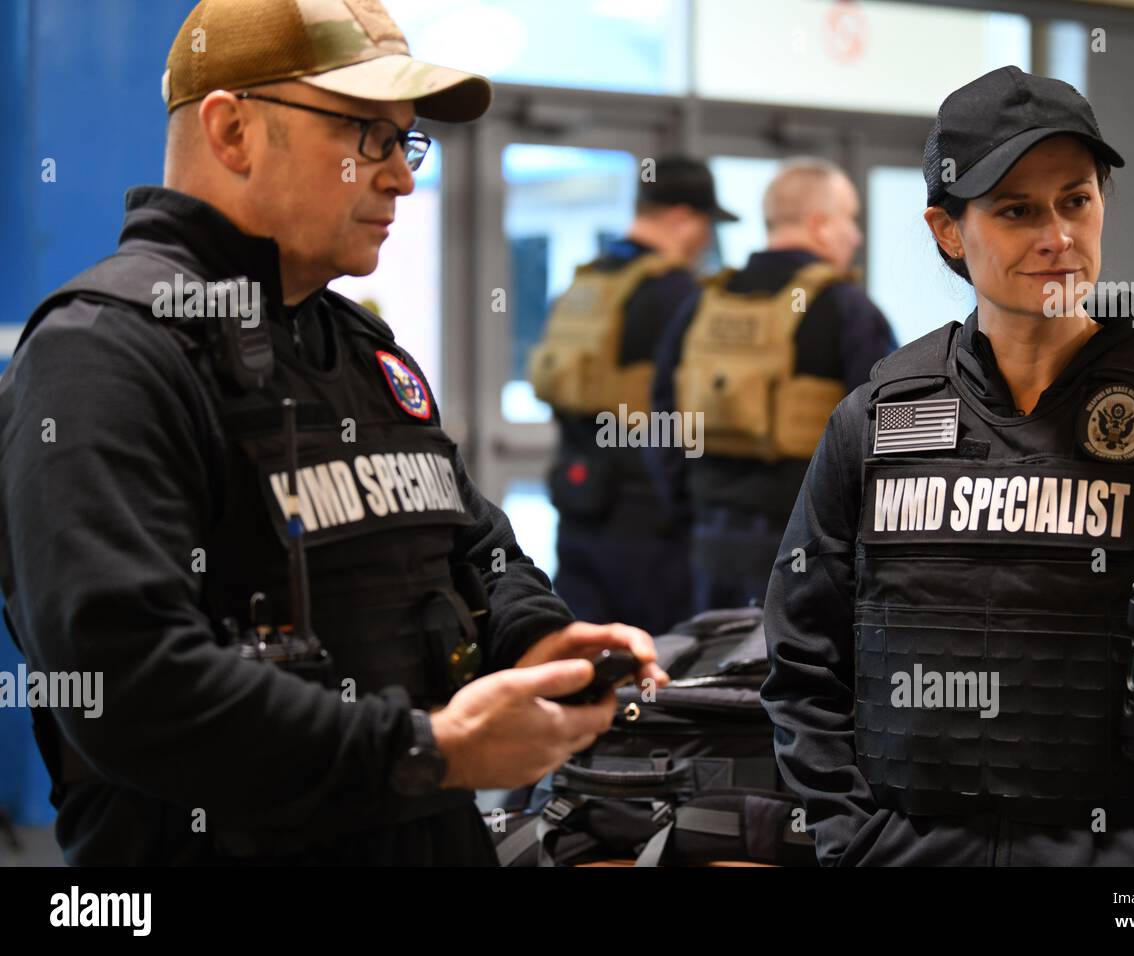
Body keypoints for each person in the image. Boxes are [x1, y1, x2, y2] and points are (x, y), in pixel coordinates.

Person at [0, 0, 666, 866]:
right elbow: (132, 688)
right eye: (365, 136)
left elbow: (476, 548)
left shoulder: (353, 344)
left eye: (405, 141)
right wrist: (434, 750)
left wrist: (538, 639)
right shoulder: (101, 356)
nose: (400, 178)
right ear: (232, 130)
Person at [761, 65, 1134, 866]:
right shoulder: (876, 418)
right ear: (948, 231)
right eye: (1017, 210)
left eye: (1075, 200)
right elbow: (803, 662)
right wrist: (858, 843)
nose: (1058, 236)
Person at [649, 157, 894, 613]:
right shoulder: (847, 308)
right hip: (808, 551)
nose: (856, 236)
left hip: (709, 544)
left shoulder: (702, 304)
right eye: (851, 220)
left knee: (710, 677)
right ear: (821, 225)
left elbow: (660, 419)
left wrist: (695, 509)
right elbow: (885, 433)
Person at [529, 158, 733, 634]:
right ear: (683, 217)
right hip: (650, 521)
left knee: (588, 651)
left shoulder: (586, 282)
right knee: (659, 662)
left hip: (580, 498)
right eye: (705, 225)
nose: (706, 241)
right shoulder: (677, 292)